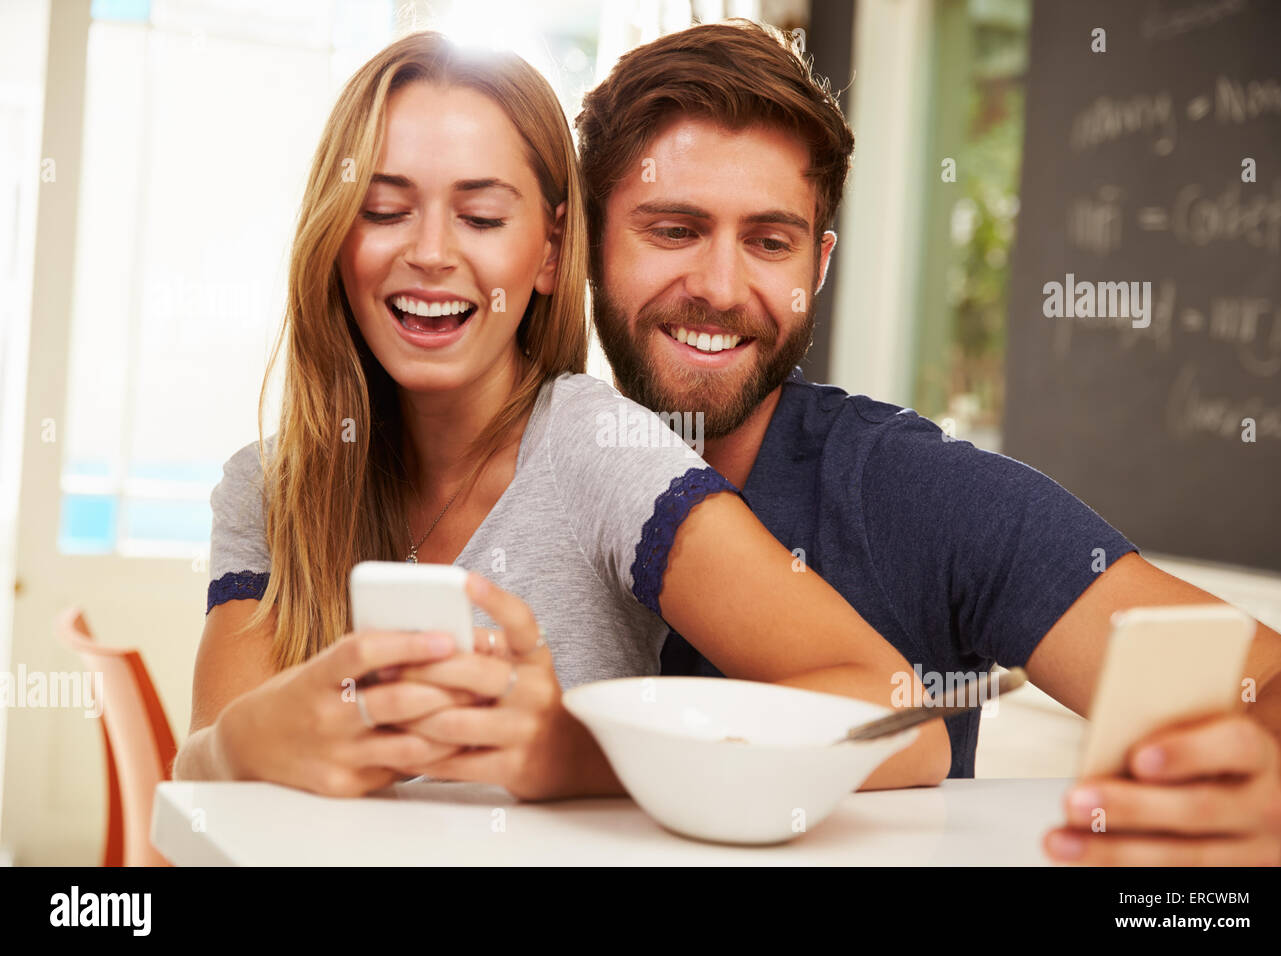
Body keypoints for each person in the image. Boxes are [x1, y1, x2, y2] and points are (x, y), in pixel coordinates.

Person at [575, 19, 1281, 865]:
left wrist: (1273, 787)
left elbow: (1274, 679)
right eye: (674, 230)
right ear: (587, 241)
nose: (721, 287)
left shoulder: (912, 493)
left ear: (819, 265)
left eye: (770, 243)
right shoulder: (514, 461)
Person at [173, 31, 952, 801]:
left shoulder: (593, 447)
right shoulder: (270, 489)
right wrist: (241, 743)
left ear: (549, 255)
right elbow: (199, 783)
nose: (433, 253)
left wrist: (574, 753)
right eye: (383, 210)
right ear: (336, 236)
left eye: (481, 218)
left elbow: (903, 720)